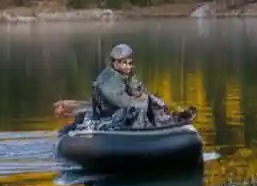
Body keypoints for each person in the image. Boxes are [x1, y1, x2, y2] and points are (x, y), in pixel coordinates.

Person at [54, 43, 195, 129]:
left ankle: (172, 119)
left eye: (129, 62)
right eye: (123, 63)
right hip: (111, 118)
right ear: (115, 63)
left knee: (153, 102)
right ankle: (165, 123)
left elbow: (139, 90)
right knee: (139, 108)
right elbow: (123, 103)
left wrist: (149, 98)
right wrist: (142, 100)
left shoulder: (126, 76)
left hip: (122, 113)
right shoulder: (107, 82)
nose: (128, 66)